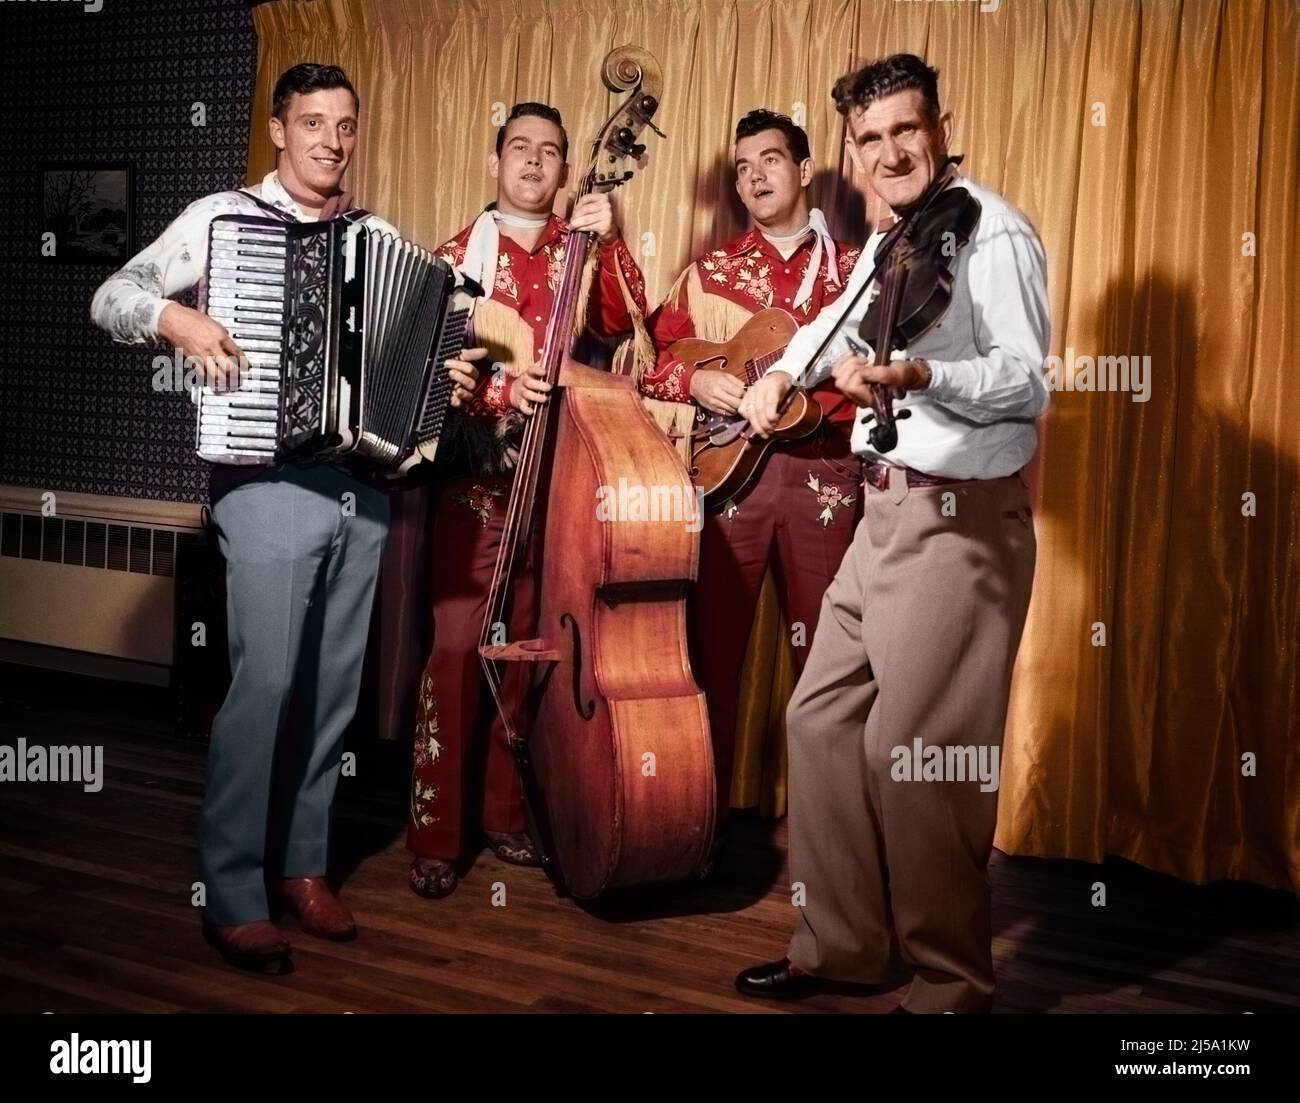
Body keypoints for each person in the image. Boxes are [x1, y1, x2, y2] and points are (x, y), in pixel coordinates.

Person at [91, 63, 481, 972]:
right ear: (279, 129)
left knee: (332, 693)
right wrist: (175, 320)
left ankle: (305, 866)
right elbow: (109, 296)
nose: (331, 141)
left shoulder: (377, 235)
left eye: (345, 125)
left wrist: (449, 382)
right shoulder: (221, 218)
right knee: (265, 684)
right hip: (263, 481)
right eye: (312, 122)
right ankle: (231, 892)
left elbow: (423, 364)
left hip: (364, 490)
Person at [734, 54, 1049, 1013]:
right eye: (868, 139)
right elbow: (835, 320)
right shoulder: (894, 233)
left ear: (941, 126)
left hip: (958, 522)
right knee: (819, 719)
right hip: (883, 512)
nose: (888, 152)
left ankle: (950, 983)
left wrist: (925, 377)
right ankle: (843, 945)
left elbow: (1027, 379)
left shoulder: (993, 230)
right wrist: (781, 373)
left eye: (905, 130)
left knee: (915, 755)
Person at [407, 102, 650, 899]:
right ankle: (435, 833)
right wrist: (500, 391)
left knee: (531, 651)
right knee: (456, 650)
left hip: (563, 479)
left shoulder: (581, 247)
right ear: (495, 160)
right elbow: (425, 376)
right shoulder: (452, 257)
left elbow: (626, 328)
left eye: (550, 151)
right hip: (479, 482)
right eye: (520, 147)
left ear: (568, 168)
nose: (535, 162)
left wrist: (609, 240)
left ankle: (505, 815)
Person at [639, 109, 862, 838]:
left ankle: (831, 846)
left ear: (805, 169)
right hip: (729, 478)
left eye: (771, 159)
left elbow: (887, 377)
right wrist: (695, 381)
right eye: (742, 167)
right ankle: (694, 828)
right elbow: (651, 362)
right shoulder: (710, 273)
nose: (756, 175)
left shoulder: (856, 271)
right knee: (710, 652)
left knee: (828, 660)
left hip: (825, 477)